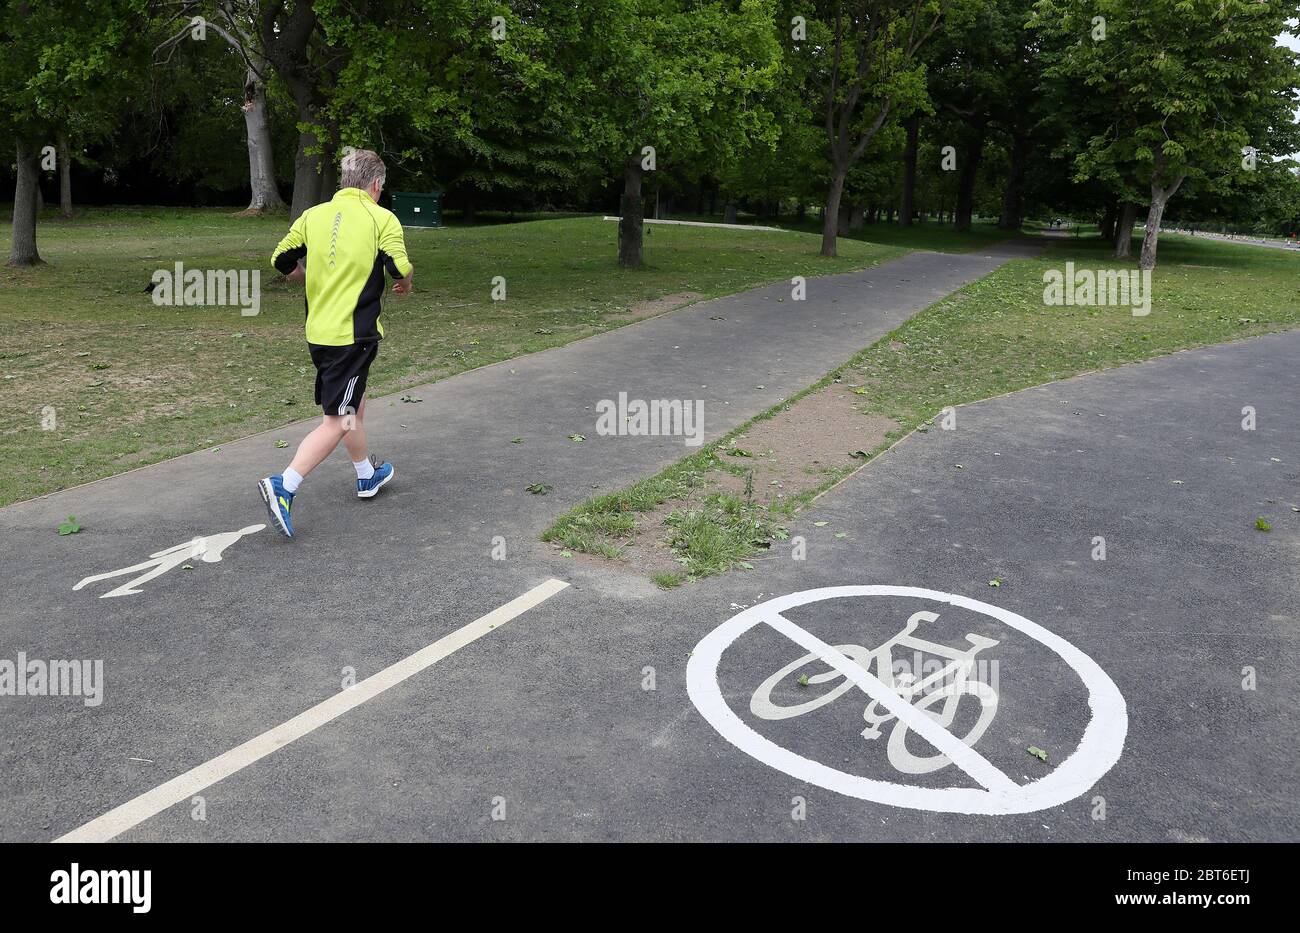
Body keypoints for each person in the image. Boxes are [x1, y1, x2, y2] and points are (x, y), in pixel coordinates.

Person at [258, 148, 413, 538]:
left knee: (353, 403)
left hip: (319, 333)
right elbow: (398, 267)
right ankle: (284, 485)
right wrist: (406, 284)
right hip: (352, 337)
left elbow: (281, 258)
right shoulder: (382, 218)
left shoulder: (313, 215)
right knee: (338, 419)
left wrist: (299, 275)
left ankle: (365, 473)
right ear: (375, 185)